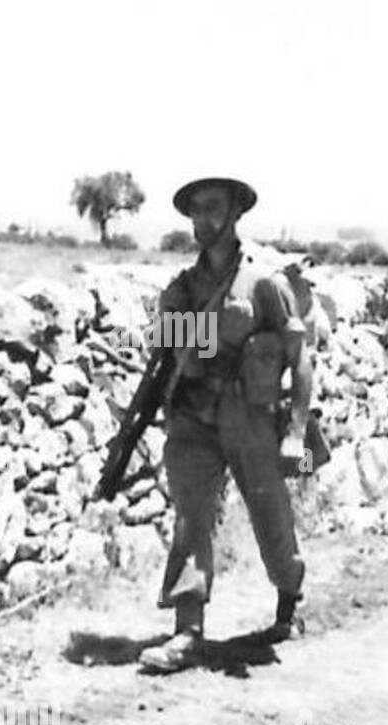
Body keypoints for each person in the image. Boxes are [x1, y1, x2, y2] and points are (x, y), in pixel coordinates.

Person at [138, 176, 314, 673]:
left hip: (250, 419)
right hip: (195, 418)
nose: (202, 220)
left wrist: (296, 434)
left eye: (213, 208)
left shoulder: (264, 283)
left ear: (236, 212)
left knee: (271, 515)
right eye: (195, 211)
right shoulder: (180, 290)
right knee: (191, 516)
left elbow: (300, 360)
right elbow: (169, 356)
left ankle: (289, 598)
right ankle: (187, 632)